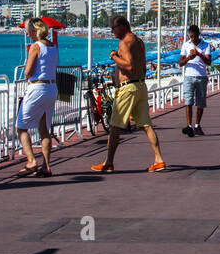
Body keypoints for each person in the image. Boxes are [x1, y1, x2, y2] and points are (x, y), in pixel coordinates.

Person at [91, 16, 166, 172]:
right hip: (140, 85)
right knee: (146, 125)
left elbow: (129, 66)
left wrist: (114, 57)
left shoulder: (124, 43)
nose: (112, 32)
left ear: (123, 26)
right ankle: (159, 159)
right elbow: (142, 67)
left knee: (114, 126)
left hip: (128, 88)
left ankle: (108, 163)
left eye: (113, 28)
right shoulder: (139, 42)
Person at [16, 17, 58, 176]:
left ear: (34, 30)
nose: (27, 34)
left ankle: (31, 160)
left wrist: (28, 75)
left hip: (37, 87)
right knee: (44, 128)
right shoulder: (52, 46)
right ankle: (46, 166)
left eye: (28, 31)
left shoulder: (36, 46)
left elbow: (28, 71)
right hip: (51, 87)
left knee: (21, 126)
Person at [177, 24, 213, 136]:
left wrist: (198, 54)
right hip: (189, 76)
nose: (193, 39)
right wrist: (189, 57)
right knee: (188, 101)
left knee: (200, 102)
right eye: (191, 36)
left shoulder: (206, 45)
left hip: (201, 76)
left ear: (198, 34)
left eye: (194, 36)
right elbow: (180, 63)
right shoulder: (186, 45)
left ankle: (197, 125)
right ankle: (189, 126)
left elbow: (208, 62)